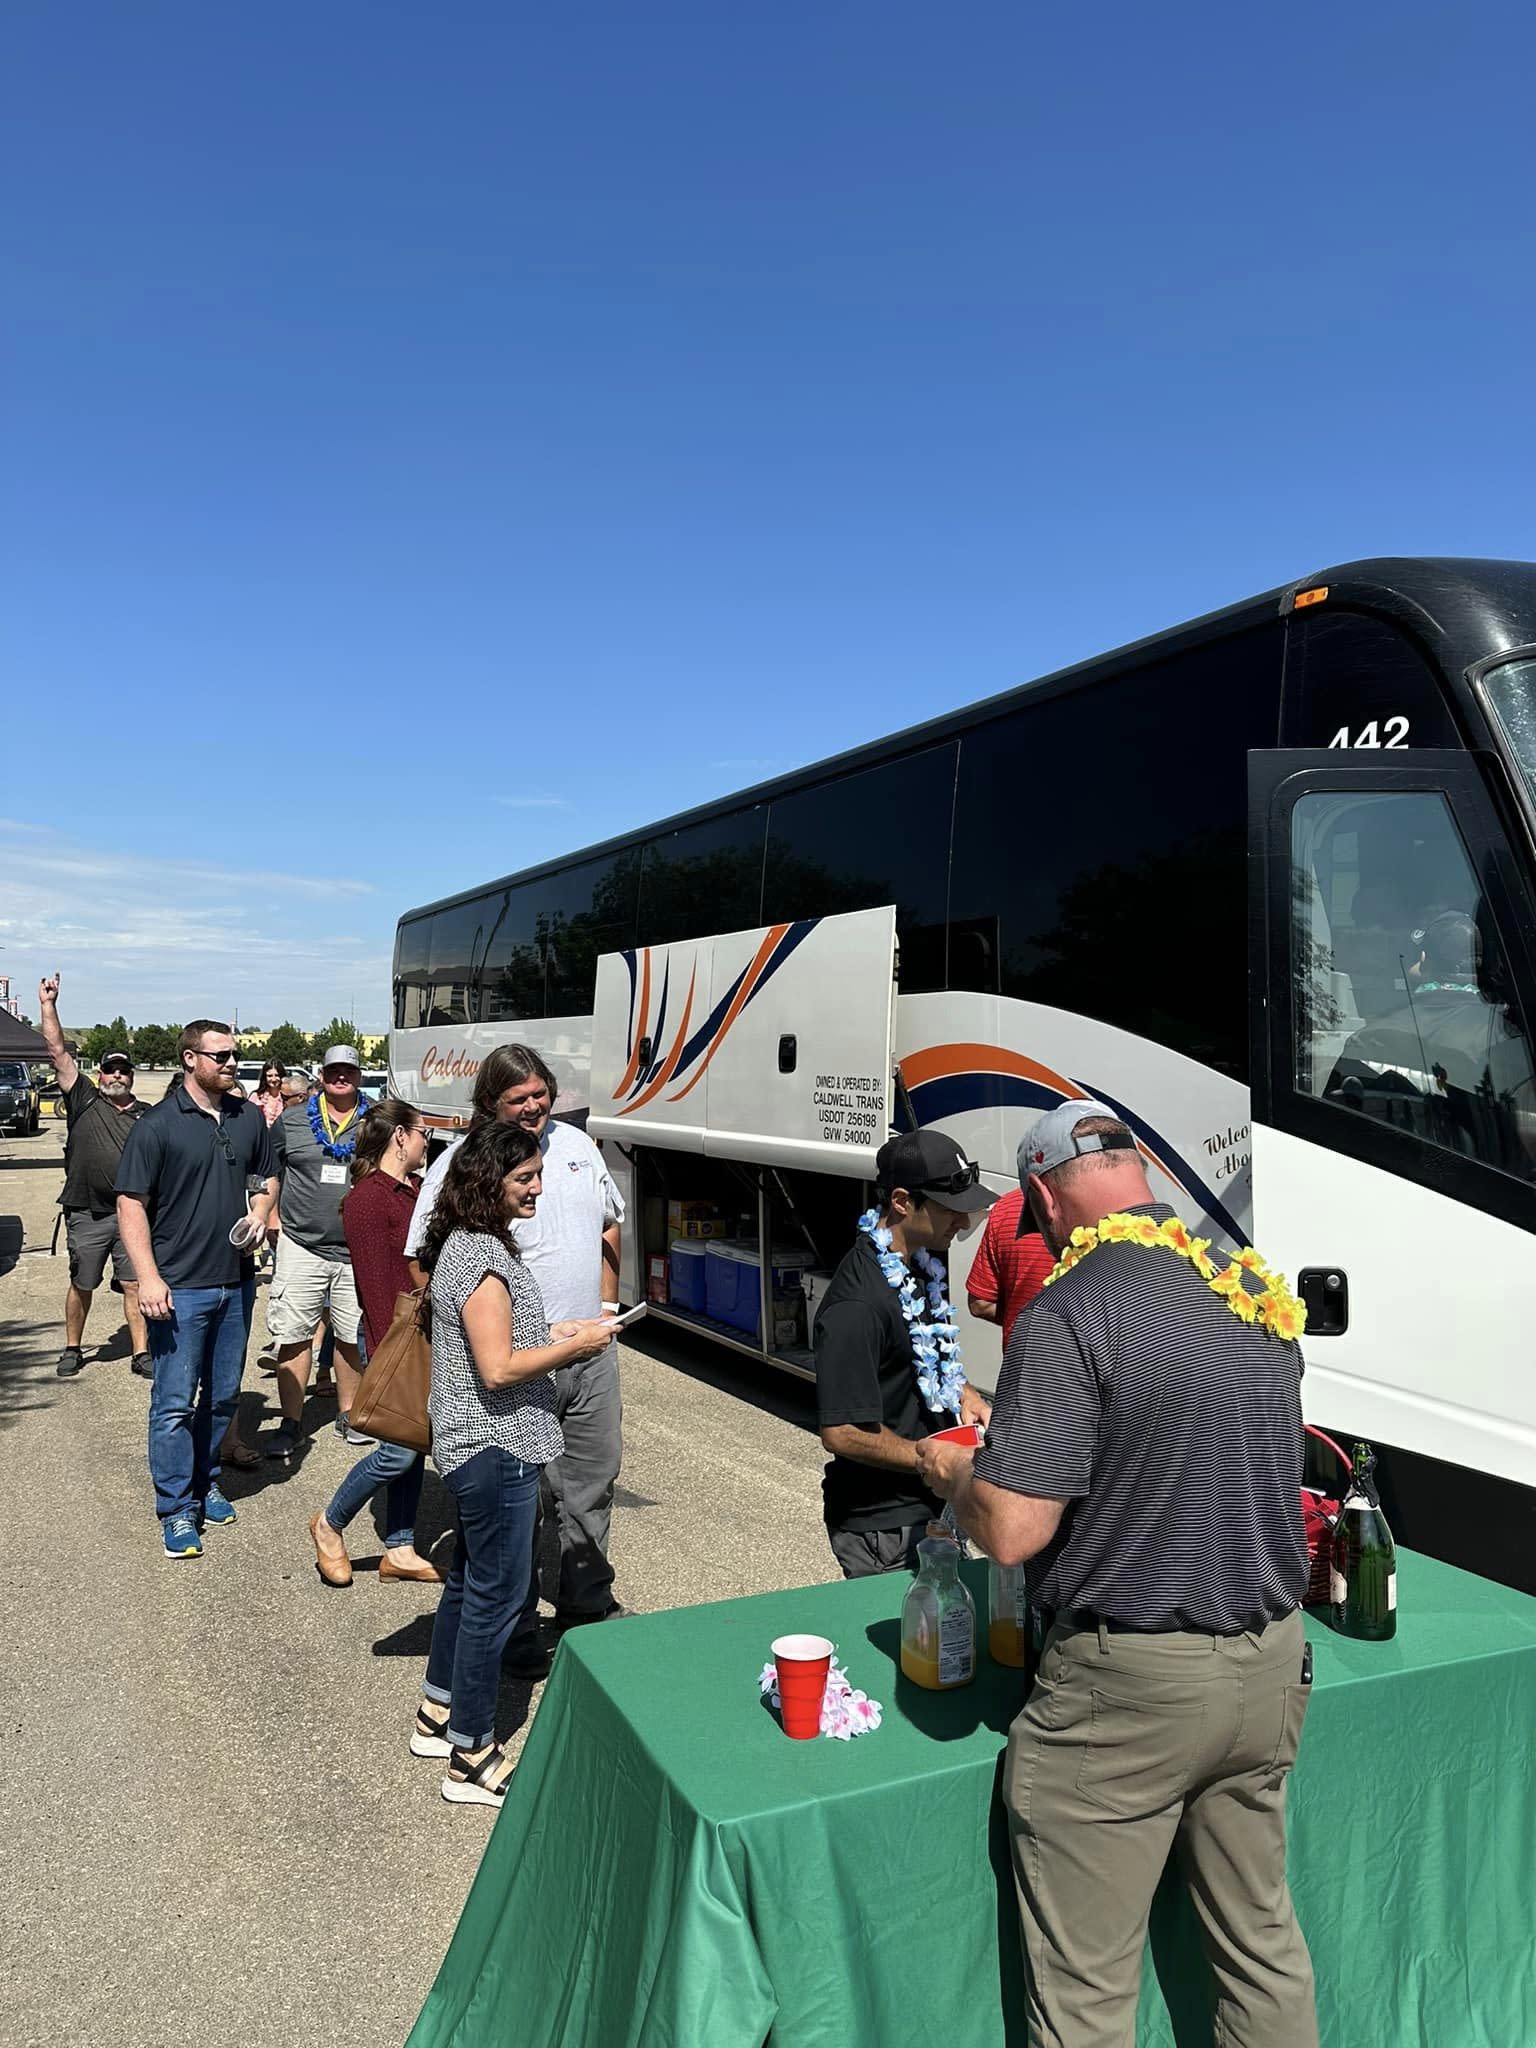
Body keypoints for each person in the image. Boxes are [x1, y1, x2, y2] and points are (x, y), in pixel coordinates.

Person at [916, 1102, 1317, 2048]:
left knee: (1088, 1999)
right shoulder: (1251, 1288)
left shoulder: (1069, 1306)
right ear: (1141, 1175)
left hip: (1129, 1689)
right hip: (1268, 1664)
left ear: (1047, 1196)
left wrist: (953, 1471)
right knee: (1261, 1947)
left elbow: (1013, 1529)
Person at [409, 1120, 616, 1806]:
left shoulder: (472, 1248)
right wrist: (574, 1349)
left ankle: (438, 1715)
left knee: (469, 1582)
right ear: (486, 1182)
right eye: (525, 1176)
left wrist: (561, 1330)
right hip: (493, 1446)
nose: (538, 1186)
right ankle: (471, 1756)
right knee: (495, 1601)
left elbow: (500, 1338)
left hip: (480, 1444)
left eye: (538, 1173)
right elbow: (498, 1369)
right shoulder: (481, 1256)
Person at [406, 1044, 627, 1627]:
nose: (533, 1106)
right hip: (515, 1365)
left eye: (540, 1093)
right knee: (523, 1501)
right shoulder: (462, 1162)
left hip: (588, 1350)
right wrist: (466, 1337)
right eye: (517, 1098)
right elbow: (421, 1259)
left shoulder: (579, 1148)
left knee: (592, 1484)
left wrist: (606, 1306)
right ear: (488, 1103)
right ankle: (518, 1623)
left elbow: (610, 1225)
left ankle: (585, 1603)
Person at [115, 1020, 279, 1559]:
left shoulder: (248, 1115)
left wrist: (259, 1209)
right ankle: (176, 1509)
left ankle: (205, 1482)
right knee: (173, 1405)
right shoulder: (157, 1125)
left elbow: (266, 1175)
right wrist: (148, 1277)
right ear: (189, 1059)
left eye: (235, 1054)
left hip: (236, 1283)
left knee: (225, 1395)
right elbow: (130, 1204)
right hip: (179, 1288)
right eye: (221, 1056)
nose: (232, 1064)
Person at [813, 1128, 996, 1578]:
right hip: (884, 1527)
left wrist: (965, 1392)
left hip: (927, 1504)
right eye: (951, 1210)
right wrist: (930, 1455)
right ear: (901, 1201)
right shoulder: (857, 1305)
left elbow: (927, 1352)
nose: (961, 1223)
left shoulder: (920, 1261)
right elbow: (841, 1432)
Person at [308, 1101, 443, 1587]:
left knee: (412, 1439)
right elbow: (372, 1281)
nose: (427, 1141)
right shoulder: (368, 1198)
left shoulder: (416, 1190)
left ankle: (400, 1548)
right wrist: (396, 1345)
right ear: (400, 1137)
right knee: (398, 1452)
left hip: (422, 1333)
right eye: (422, 1132)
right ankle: (329, 1523)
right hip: (393, 1337)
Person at [36, 975, 152, 1380]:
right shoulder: (83, 1098)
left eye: (123, 1070)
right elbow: (56, 1050)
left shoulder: (149, 1114)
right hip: (86, 1210)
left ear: (131, 1075)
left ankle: (141, 1352)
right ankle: (72, 1346)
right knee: (82, 1281)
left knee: (135, 1285)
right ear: (99, 1073)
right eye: (110, 1070)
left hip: (132, 1213)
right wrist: (49, 1005)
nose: (116, 1075)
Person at [262, 1045, 371, 1463]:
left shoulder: (376, 1121)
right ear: (321, 1075)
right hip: (301, 1244)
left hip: (355, 1248)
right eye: (333, 1070)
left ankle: (349, 1413)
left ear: (358, 1075)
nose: (340, 1077)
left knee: (350, 1335)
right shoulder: (292, 1121)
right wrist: (270, 1218)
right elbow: (268, 1170)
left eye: (348, 1070)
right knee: (293, 1334)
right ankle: (291, 1422)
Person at [964, 1185, 1054, 1352]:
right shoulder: (1113, 1215)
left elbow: (980, 1305)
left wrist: (1023, 1319)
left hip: (1020, 1368)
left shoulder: (1008, 1206)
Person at [250, 1060, 287, 1127]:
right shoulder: (256, 1097)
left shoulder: (288, 1098)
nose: (273, 1079)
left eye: (277, 1075)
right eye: (269, 1076)